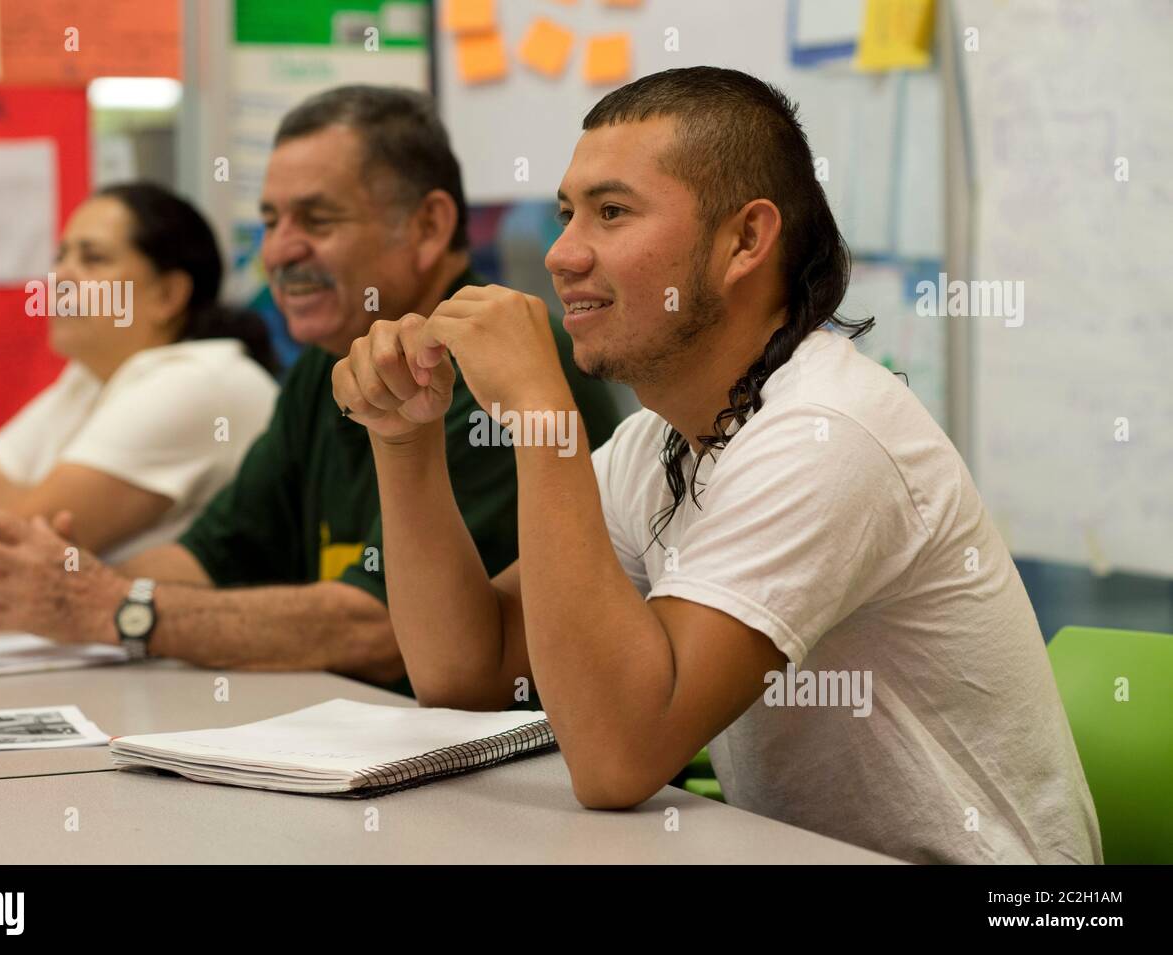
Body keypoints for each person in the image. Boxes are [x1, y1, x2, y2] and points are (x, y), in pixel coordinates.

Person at [331, 67, 1102, 863]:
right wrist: (403, 440)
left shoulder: (827, 437)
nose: (561, 254)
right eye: (567, 214)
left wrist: (544, 415)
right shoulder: (658, 442)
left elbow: (616, 757)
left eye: (611, 212)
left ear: (744, 241)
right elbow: (472, 672)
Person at [0, 86, 623, 687]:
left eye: (316, 221)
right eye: (269, 221)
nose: (279, 251)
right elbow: (209, 558)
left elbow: (383, 628)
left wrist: (116, 608)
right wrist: (61, 586)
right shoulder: (324, 370)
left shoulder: (497, 363)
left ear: (429, 225)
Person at [0, 182, 279, 567]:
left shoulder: (195, 379)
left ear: (168, 295)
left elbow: (13, 551)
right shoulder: (87, 379)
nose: (60, 277)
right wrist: (24, 504)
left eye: (93, 259)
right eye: (61, 256)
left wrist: (15, 501)